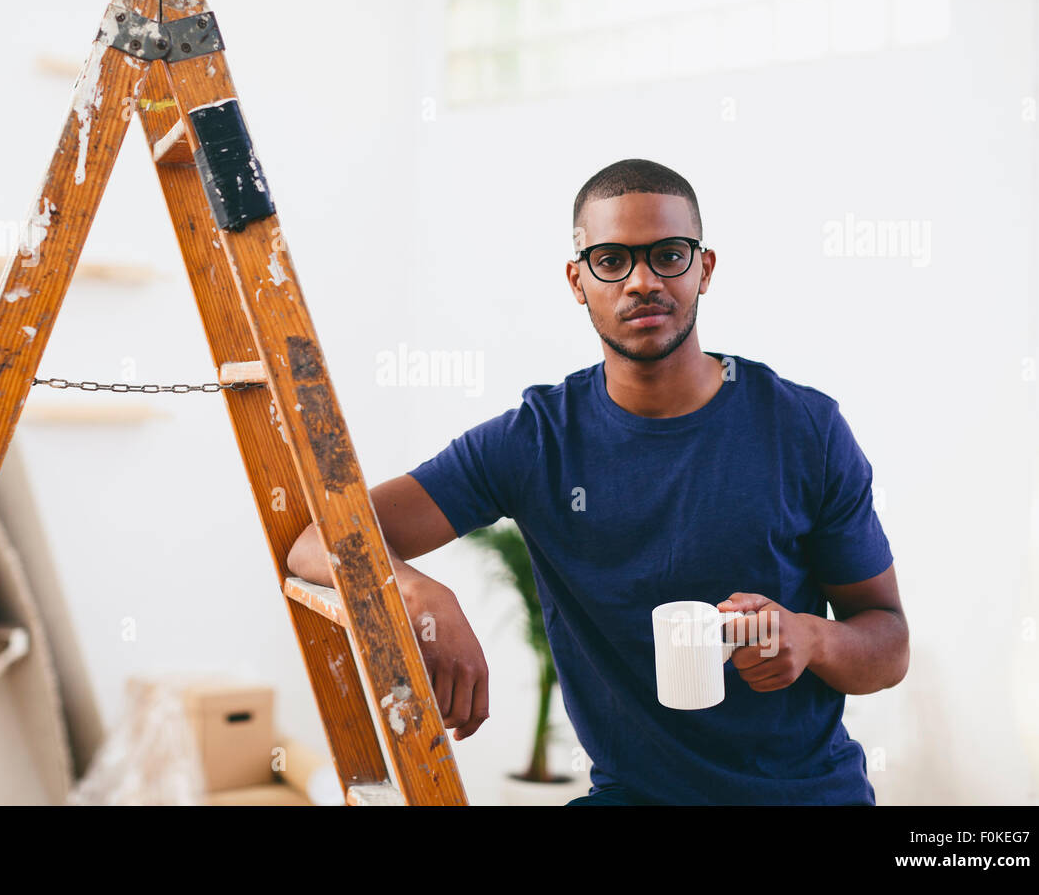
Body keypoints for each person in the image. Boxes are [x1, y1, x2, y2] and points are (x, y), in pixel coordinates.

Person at [286, 159, 909, 805]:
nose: (642, 281)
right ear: (577, 281)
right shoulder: (535, 442)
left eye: (669, 255)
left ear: (705, 268)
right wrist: (417, 592)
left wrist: (814, 638)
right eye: (611, 260)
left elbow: (889, 642)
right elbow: (314, 540)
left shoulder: (804, 427)